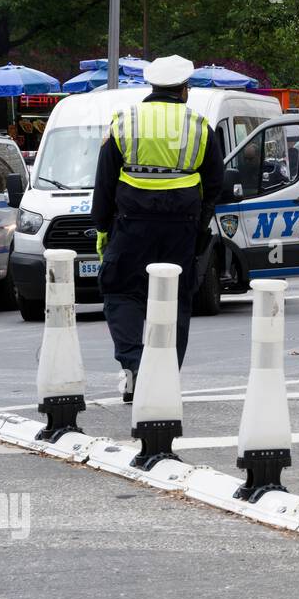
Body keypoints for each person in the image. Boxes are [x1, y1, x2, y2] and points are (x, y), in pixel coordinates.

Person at [92, 55, 223, 401]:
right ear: (184, 90)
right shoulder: (199, 125)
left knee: (121, 292)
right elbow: (215, 183)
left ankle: (134, 366)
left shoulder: (125, 122)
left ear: (152, 86)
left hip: (131, 225)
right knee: (175, 300)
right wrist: (199, 224)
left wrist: (102, 225)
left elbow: (104, 181)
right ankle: (164, 376)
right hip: (181, 228)